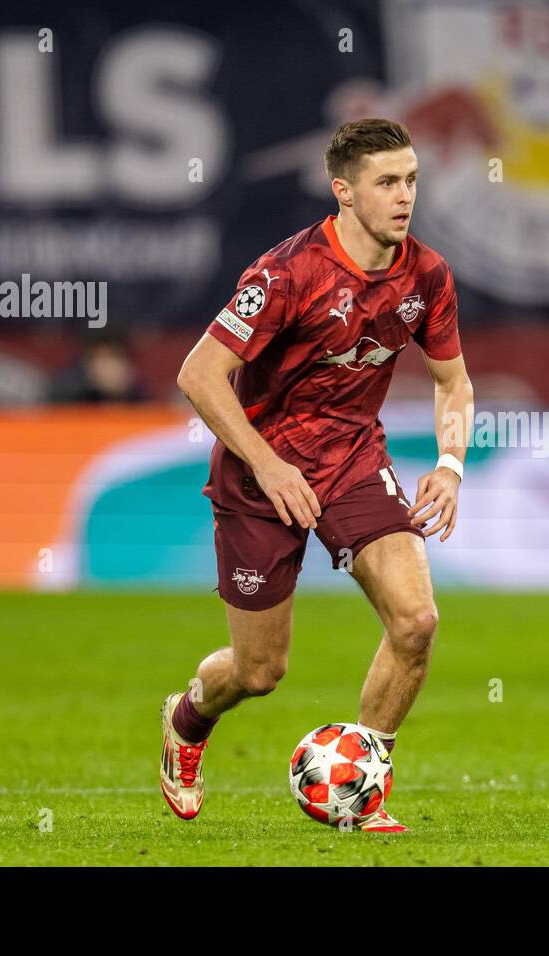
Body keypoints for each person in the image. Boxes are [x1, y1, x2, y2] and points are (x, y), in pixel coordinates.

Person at [162, 119, 474, 832]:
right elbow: (200, 374)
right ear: (344, 191)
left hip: (354, 461)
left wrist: (451, 465)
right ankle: (185, 720)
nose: (405, 197)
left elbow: (452, 384)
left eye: (413, 180)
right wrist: (265, 464)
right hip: (259, 474)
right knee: (259, 673)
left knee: (417, 620)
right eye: (387, 183)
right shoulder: (287, 273)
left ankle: (362, 787)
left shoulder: (426, 275)